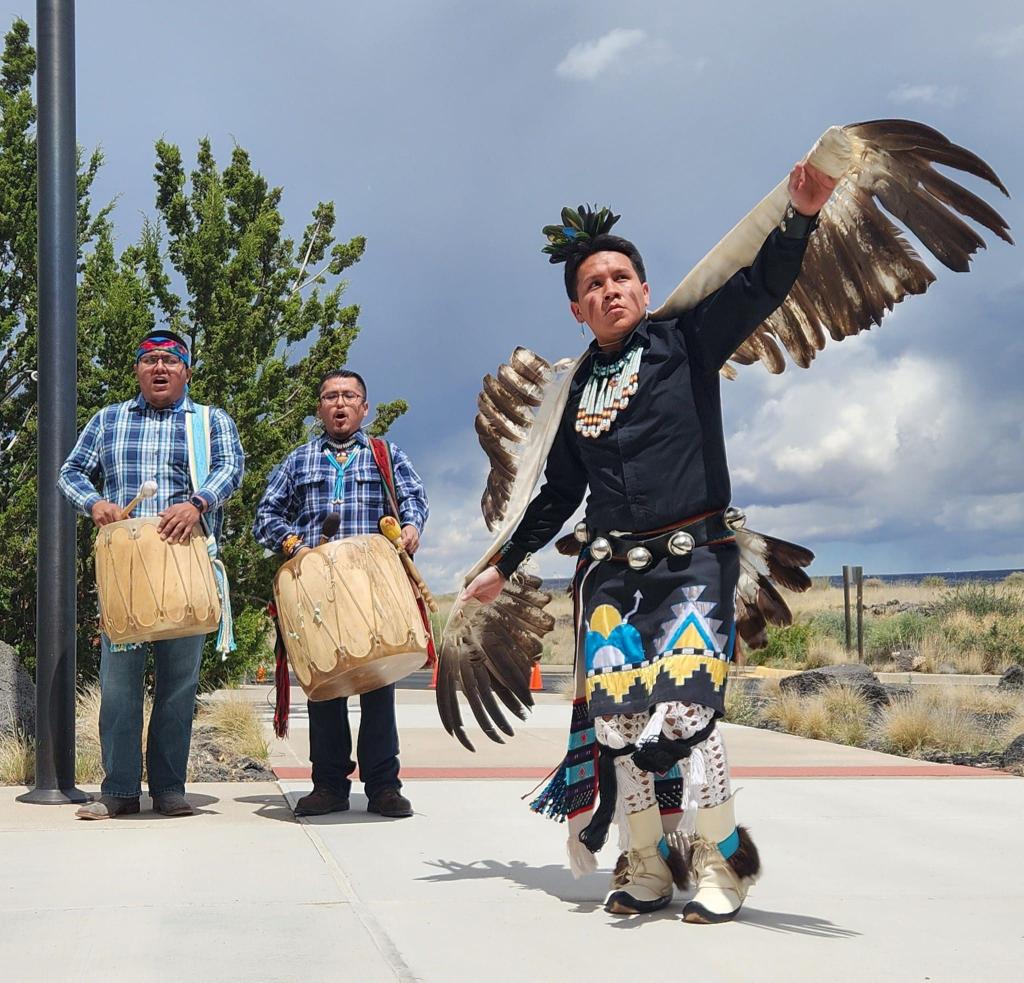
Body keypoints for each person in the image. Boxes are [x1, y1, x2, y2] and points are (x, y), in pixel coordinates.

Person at [461, 163, 836, 921]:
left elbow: (760, 287)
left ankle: (721, 861)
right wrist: (504, 564)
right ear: (578, 309)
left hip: (695, 561)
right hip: (611, 575)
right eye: (593, 285)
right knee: (622, 722)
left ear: (643, 287)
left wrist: (799, 218)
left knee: (688, 715)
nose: (610, 291)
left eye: (621, 278)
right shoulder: (576, 391)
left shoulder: (685, 339)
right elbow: (559, 493)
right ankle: (646, 864)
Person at [58, 329, 244, 820]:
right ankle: (119, 790)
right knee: (119, 685)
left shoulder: (209, 422)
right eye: (150, 360)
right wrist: (93, 502)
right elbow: (70, 472)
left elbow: (231, 467)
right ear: (137, 370)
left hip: (186, 565)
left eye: (170, 360)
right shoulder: (109, 419)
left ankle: (168, 789)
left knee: (178, 685)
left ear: (186, 371)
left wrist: (197, 503)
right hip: (125, 571)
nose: (159, 368)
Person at [253, 369, 428, 818]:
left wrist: (411, 527)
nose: (340, 403)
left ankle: (384, 787)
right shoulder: (299, 461)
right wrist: (294, 545)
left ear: (364, 407)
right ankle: (328, 786)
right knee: (325, 691)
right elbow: (266, 515)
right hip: (317, 593)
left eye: (349, 396)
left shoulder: (386, 455)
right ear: (320, 408)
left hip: (374, 588)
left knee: (379, 688)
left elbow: (415, 499)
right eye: (330, 396)